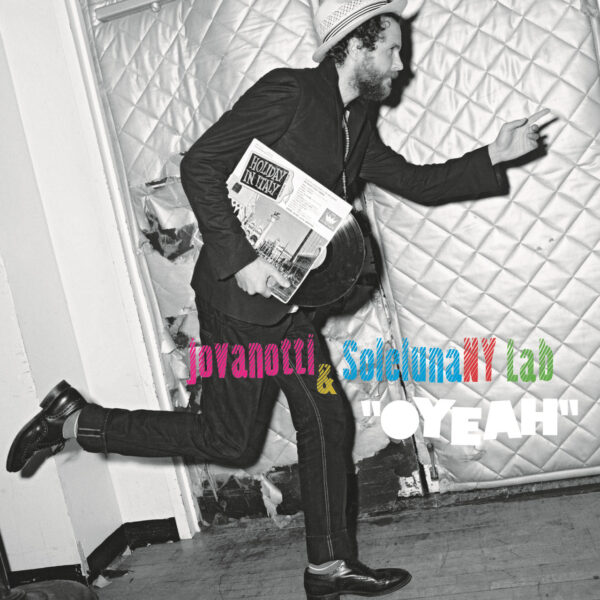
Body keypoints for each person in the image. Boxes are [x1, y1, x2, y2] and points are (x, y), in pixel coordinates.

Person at [7, 0, 547, 598]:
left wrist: (494, 155)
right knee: (230, 440)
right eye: (393, 49)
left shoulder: (355, 121)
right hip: (238, 306)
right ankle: (75, 422)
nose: (402, 64)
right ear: (356, 45)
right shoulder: (290, 92)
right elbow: (202, 164)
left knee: (325, 421)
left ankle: (328, 567)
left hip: (287, 313)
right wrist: (242, 260)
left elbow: (416, 181)